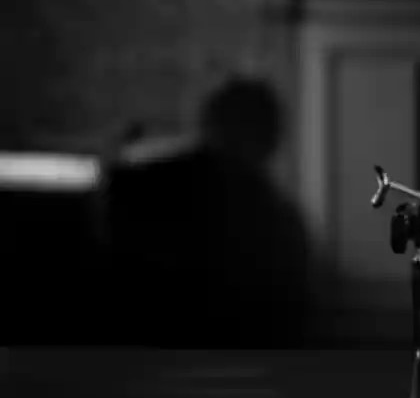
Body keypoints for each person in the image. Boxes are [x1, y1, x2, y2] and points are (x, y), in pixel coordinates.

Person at [105, 77, 317, 347]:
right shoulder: (279, 220)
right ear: (271, 142)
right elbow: (293, 322)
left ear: (208, 127)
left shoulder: (148, 186)